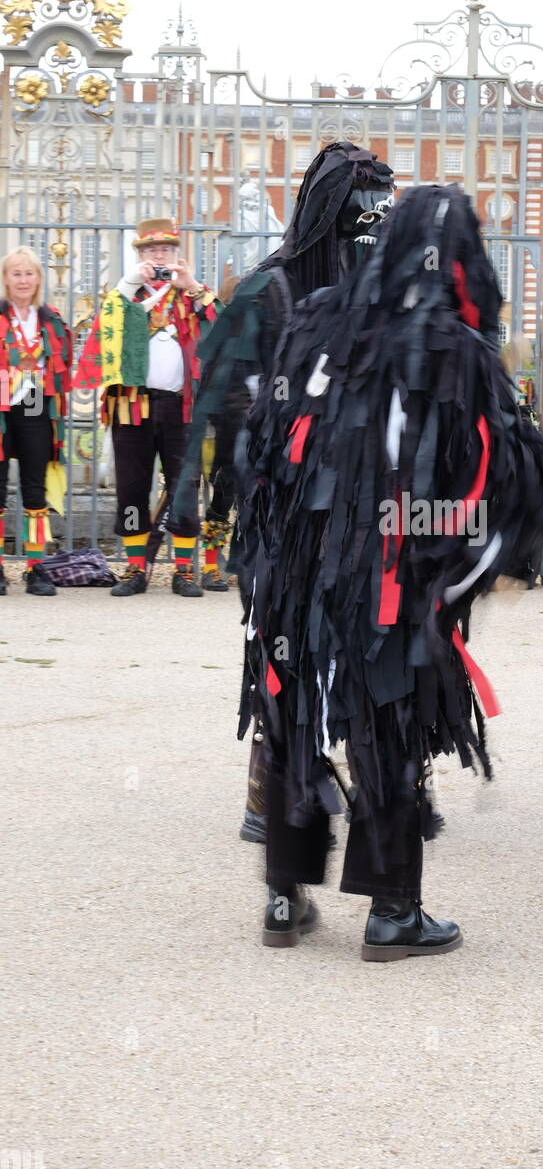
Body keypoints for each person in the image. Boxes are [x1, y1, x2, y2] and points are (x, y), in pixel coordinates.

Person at [238, 185, 543, 959]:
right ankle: (392, 912)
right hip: (385, 564)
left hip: (296, 563)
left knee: (296, 704)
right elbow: (494, 473)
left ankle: (285, 899)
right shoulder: (455, 348)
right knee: (386, 715)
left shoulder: (316, 315)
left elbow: (265, 435)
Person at [175, 142, 397, 844]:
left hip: (370, 507)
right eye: (364, 216)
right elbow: (225, 399)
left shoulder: (386, 293)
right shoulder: (264, 291)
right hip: (287, 511)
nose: (376, 230)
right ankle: (271, 792)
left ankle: (387, 788)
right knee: (284, 644)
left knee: (377, 643)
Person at [74, 219, 219, 597]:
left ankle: (184, 570)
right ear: (140, 255)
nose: (159, 256)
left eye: (166, 250)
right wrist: (129, 284)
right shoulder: (125, 296)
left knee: (184, 489)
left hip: (180, 407)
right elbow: (101, 335)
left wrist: (196, 287)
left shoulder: (191, 296)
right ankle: (135, 569)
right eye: (152, 251)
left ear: (177, 255)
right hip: (129, 405)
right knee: (132, 489)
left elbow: (224, 329)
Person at [0, 246, 73, 596]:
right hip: (0, 404)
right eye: (16, 273)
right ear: (6, 279)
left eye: (29, 273)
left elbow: (64, 363)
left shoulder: (50, 319)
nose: (23, 280)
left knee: (34, 485)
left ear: (39, 279)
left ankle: (35, 567)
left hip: (33, 402)